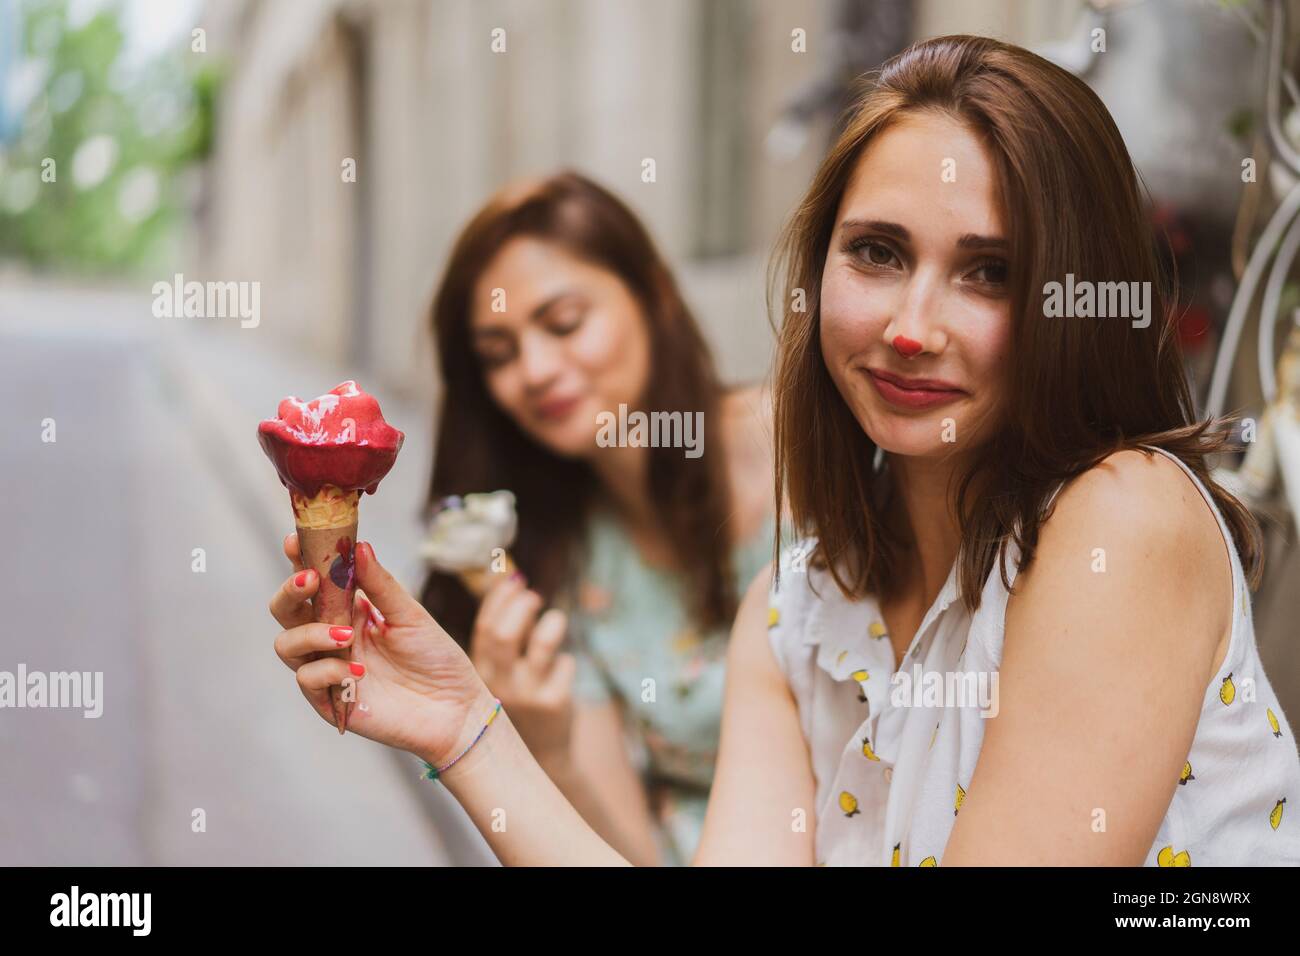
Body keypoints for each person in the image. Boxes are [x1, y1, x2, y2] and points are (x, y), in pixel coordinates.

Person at [268, 35, 1300, 865]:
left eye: (989, 271)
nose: (909, 321)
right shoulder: (797, 610)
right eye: (877, 252)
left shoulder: (1122, 519)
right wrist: (464, 726)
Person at [271, 171, 776, 865]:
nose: (535, 370)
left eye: (565, 323)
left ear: (655, 293)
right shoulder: (549, 564)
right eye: (498, 354)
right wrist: (542, 751)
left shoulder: (811, 455)